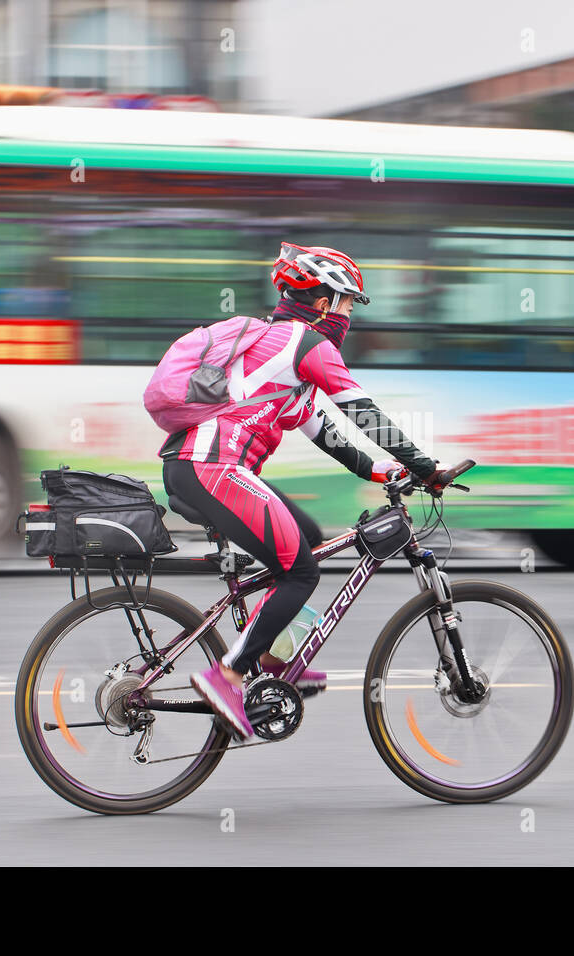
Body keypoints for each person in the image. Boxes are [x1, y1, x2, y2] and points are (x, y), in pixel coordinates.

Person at [159, 243, 444, 741]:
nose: (349, 316)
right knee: (301, 570)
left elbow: (330, 433)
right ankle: (225, 677)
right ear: (324, 301)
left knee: (306, 538)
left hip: (205, 468)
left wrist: (385, 472)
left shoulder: (283, 356)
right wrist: (426, 466)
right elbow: (362, 412)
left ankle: (269, 658)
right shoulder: (305, 346)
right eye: (348, 304)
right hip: (212, 467)